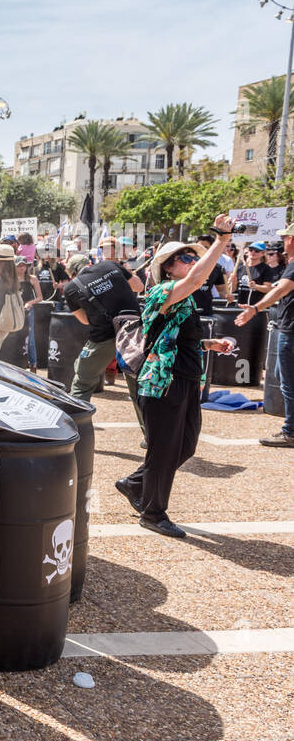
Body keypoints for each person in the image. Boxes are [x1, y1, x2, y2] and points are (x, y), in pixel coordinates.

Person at [117, 220, 238, 537]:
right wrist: (222, 240)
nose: (192, 262)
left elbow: (173, 340)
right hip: (162, 383)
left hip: (184, 378)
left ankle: (134, 483)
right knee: (164, 450)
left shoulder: (184, 300)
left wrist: (209, 344)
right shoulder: (161, 293)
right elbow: (200, 278)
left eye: (191, 256)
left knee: (185, 446)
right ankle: (153, 513)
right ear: (167, 269)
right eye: (185, 258)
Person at [236, 222, 294, 447]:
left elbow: (281, 289)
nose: (282, 242)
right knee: (282, 376)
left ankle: (290, 431)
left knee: (287, 380)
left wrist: (255, 308)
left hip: (290, 330)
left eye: (285, 238)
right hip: (287, 327)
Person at [62, 249, 144, 400]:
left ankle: (78, 421)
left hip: (103, 337)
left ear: (72, 274)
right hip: (135, 333)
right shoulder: (110, 265)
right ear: (89, 263)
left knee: (82, 384)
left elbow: (85, 320)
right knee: (139, 389)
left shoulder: (70, 288)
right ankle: (147, 424)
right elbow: (139, 286)